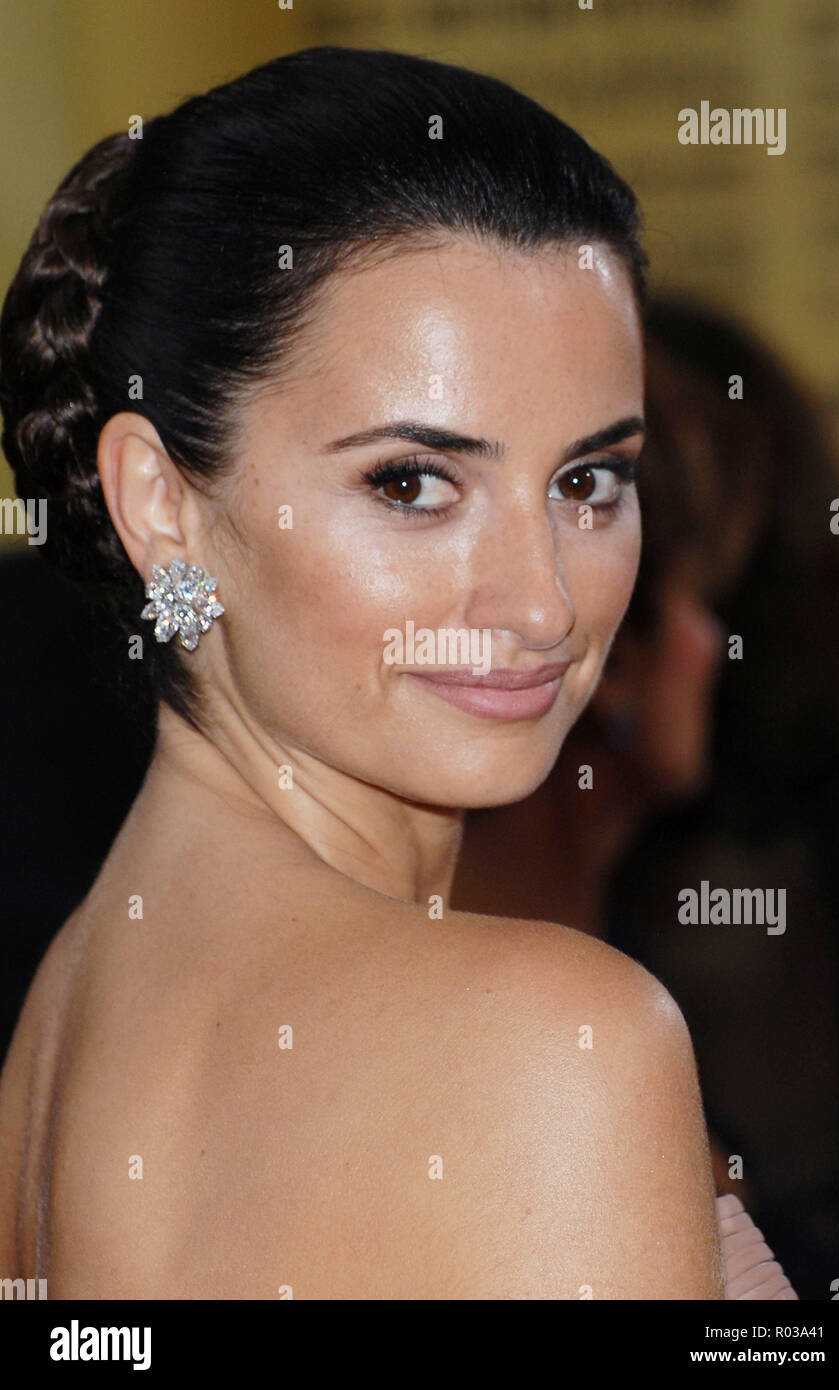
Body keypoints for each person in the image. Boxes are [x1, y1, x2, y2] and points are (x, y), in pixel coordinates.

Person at [0, 46, 779, 1299]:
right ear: (160, 504)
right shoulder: (552, 1039)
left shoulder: (69, 1015)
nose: (541, 602)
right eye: (411, 484)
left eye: (588, 481)